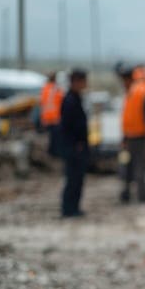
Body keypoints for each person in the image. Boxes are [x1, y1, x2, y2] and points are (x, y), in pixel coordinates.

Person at [121, 65, 145, 203]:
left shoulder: (132, 91)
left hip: (130, 136)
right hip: (141, 136)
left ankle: (126, 195)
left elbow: (128, 117)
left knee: (128, 166)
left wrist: (125, 136)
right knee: (139, 167)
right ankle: (142, 197)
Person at [58, 69, 89, 218]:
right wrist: (76, 144)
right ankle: (68, 209)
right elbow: (68, 126)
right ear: (76, 81)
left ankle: (74, 207)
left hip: (77, 146)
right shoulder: (70, 100)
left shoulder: (75, 98)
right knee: (73, 179)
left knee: (77, 179)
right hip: (73, 147)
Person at [40, 72, 64, 157]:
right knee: (56, 138)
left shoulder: (45, 88)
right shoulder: (56, 89)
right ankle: (55, 153)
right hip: (55, 118)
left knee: (50, 137)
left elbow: (42, 103)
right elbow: (61, 102)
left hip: (47, 118)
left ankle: (50, 153)